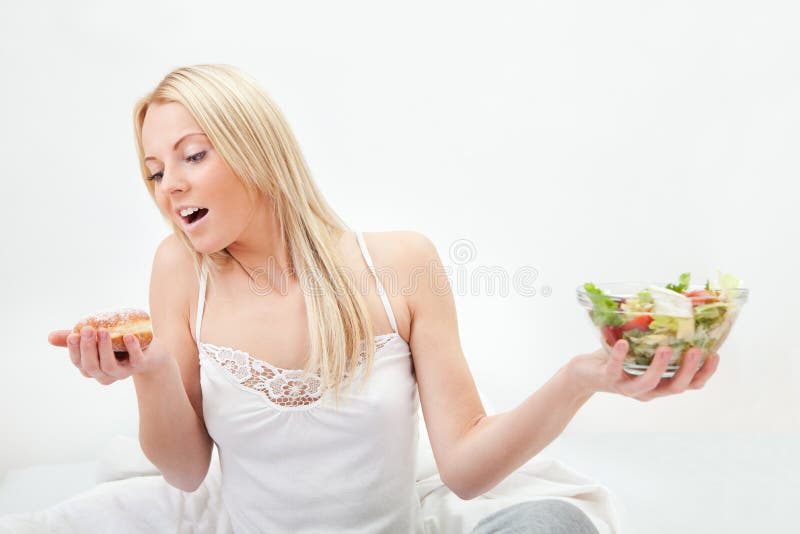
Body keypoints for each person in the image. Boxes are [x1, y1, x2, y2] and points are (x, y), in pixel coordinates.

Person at [48, 64, 720, 534]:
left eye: (192, 156)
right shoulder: (178, 271)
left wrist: (582, 379)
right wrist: (153, 372)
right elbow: (186, 471)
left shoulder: (400, 264)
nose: (170, 186)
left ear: (257, 147)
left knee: (553, 524)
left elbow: (465, 469)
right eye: (155, 171)